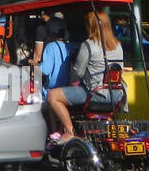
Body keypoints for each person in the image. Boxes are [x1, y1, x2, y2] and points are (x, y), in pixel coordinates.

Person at [47, 9, 126, 139]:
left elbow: (78, 72)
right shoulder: (118, 45)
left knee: (53, 96)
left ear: (91, 26)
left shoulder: (88, 45)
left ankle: (69, 131)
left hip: (95, 93)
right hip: (116, 94)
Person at [36, 17, 73, 139]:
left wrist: (35, 65)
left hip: (52, 87)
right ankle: (60, 129)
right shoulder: (70, 46)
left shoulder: (51, 47)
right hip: (67, 86)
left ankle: (53, 130)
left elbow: (45, 70)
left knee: (47, 97)